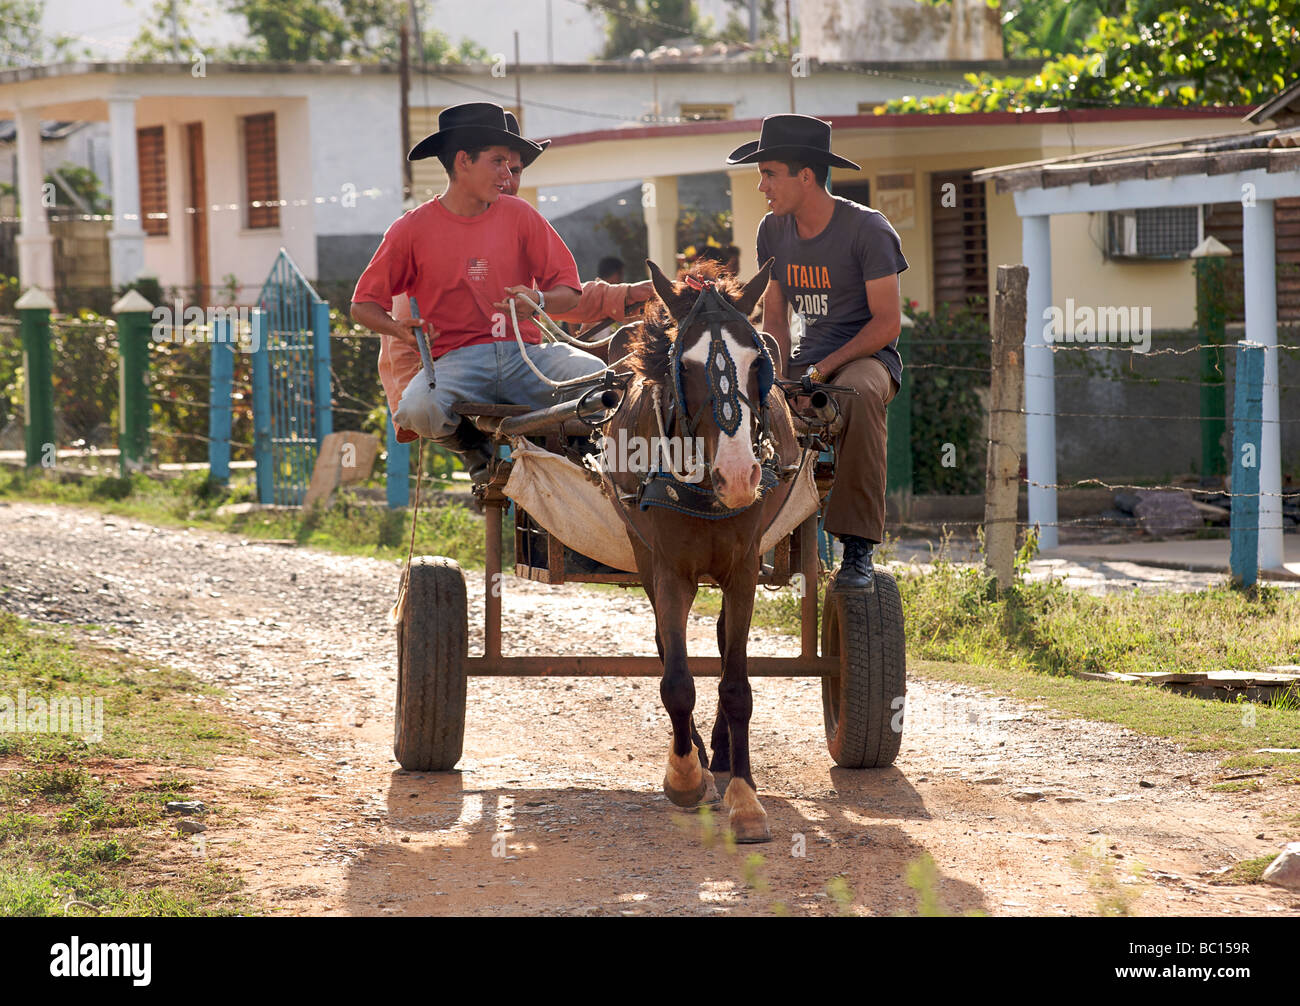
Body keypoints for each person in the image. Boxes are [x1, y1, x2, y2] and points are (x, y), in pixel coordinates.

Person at [350, 102, 605, 480]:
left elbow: (569, 292)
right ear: (463, 161)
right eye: (497, 161)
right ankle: (477, 452)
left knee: (601, 379)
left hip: (526, 357)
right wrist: (399, 328)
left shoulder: (522, 216)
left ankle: (581, 458)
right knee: (417, 409)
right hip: (456, 363)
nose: (507, 174)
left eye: (509, 165)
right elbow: (361, 306)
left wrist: (538, 302)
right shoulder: (410, 230)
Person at [727, 113, 908, 590]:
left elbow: (888, 323)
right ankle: (731, 527)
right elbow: (776, 319)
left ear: (805, 176)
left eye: (769, 173)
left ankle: (857, 547)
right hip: (807, 362)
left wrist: (823, 372)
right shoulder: (772, 231)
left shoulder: (868, 230)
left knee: (860, 395)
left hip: (866, 360)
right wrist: (780, 381)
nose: (761, 186)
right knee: (731, 387)